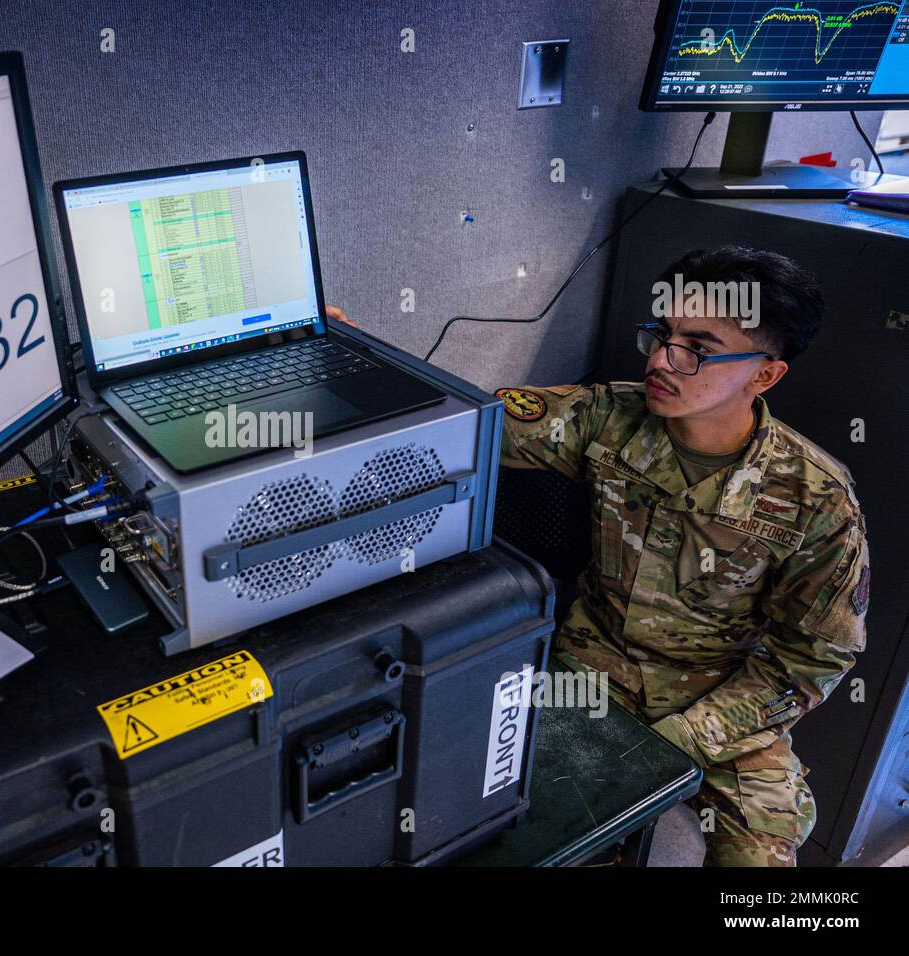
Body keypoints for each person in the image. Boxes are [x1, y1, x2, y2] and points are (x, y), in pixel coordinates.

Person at [326, 245, 870, 866]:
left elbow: (814, 659)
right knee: (503, 820)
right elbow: (465, 421)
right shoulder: (609, 417)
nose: (663, 360)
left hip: (723, 703)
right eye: (661, 334)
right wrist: (355, 352)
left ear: (764, 375)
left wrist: (684, 739)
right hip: (586, 671)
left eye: (698, 347)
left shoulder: (815, 498)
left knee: (760, 866)